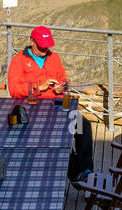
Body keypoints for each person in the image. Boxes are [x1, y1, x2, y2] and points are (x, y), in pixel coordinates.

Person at [6, 26, 94, 182]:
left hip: (56, 106)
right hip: (32, 108)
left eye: (47, 45)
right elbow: (14, 90)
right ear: (31, 41)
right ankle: (76, 175)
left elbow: (64, 81)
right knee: (56, 138)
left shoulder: (55, 58)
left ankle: (86, 169)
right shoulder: (19, 60)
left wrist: (63, 86)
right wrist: (38, 87)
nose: (45, 49)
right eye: (41, 45)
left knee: (82, 125)